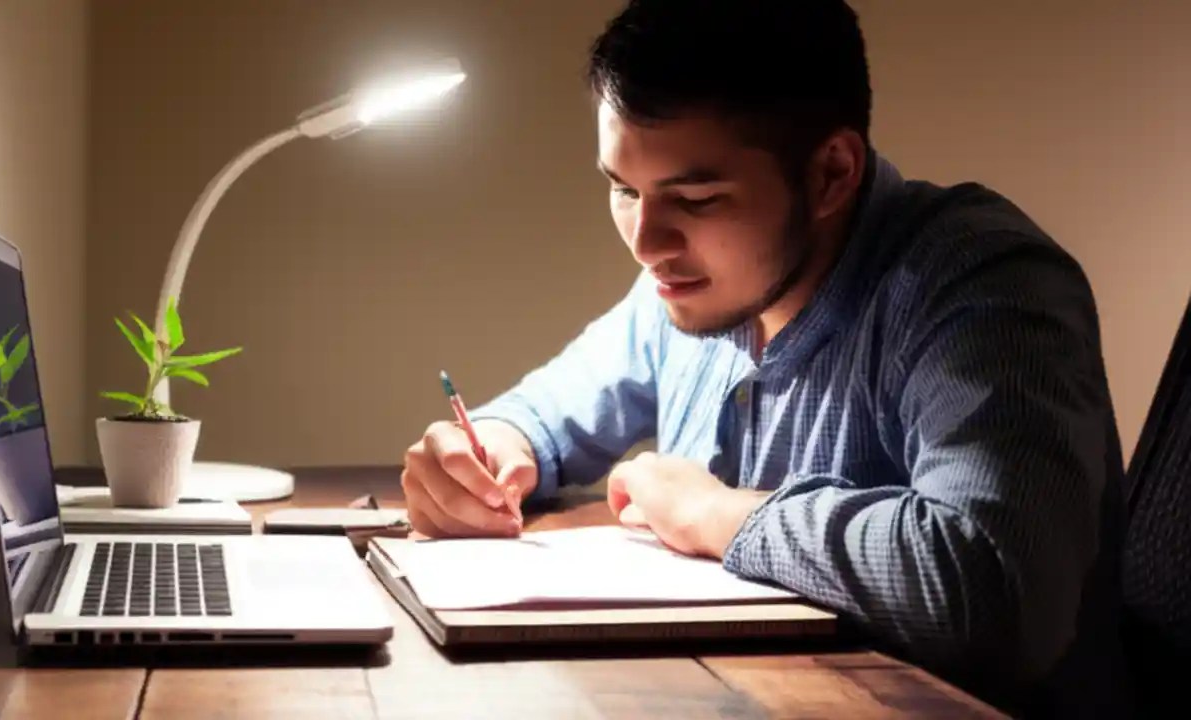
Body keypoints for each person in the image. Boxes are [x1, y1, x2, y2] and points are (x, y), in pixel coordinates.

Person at [400, 0, 1130, 715]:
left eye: (698, 198)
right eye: (624, 189)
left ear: (831, 174)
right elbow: (544, 414)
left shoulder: (983, 285)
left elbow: (997, 590)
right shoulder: (687, 286)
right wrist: (492, 447)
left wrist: (717, 514)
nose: (646, 242)